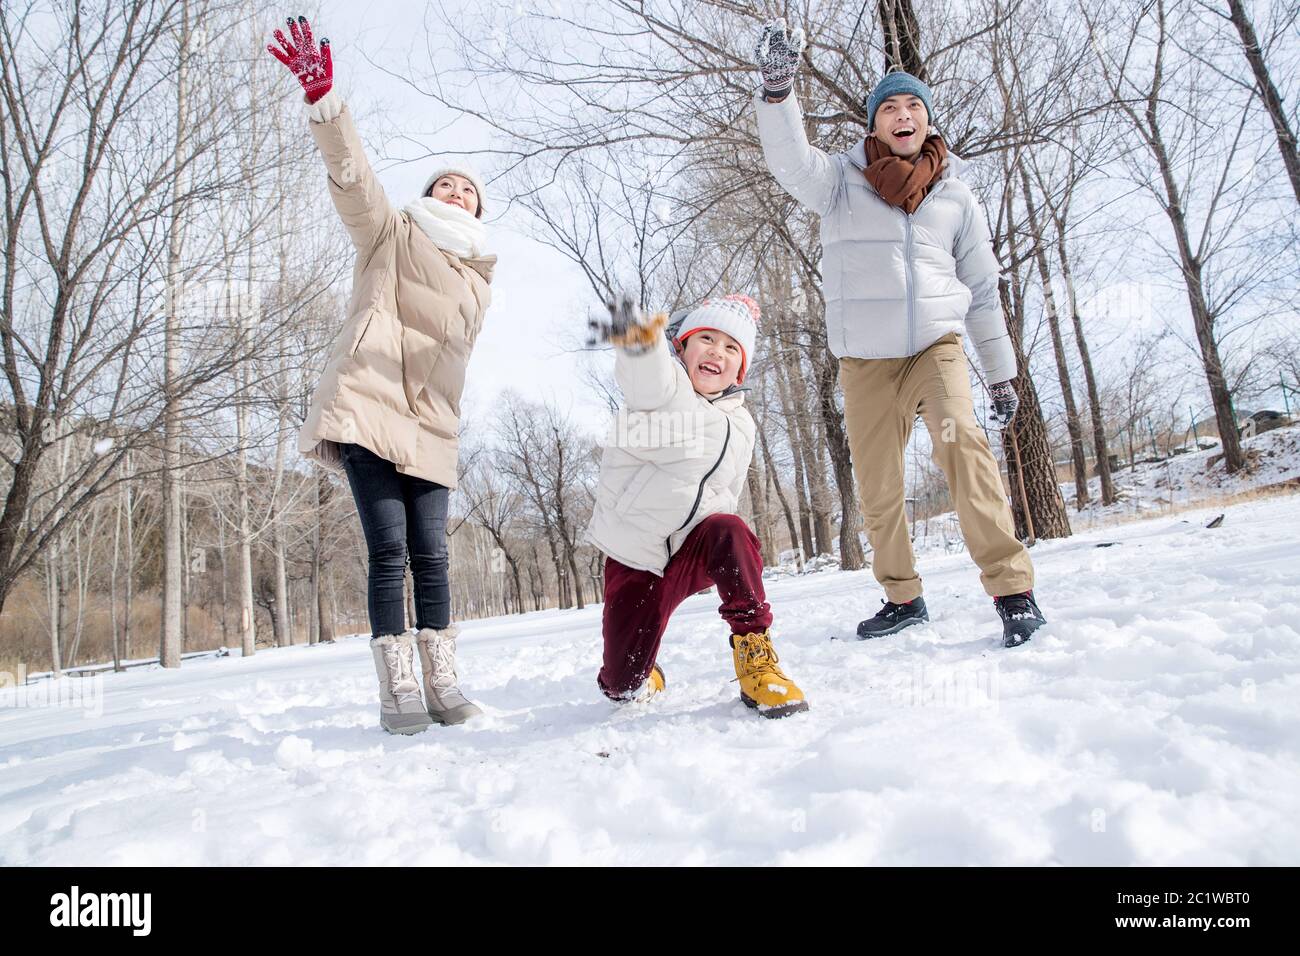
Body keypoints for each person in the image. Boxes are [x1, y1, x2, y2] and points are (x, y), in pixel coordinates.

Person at [751, 19, 1046, 647]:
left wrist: (1000, 375)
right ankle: (903, 597)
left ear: (928, 120)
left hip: (935, 348)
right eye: (890, 107)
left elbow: (984, 289)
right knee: (878, 485)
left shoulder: (957, 198)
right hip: (865, 360)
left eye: (914, 105)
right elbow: (788, 162)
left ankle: (1013, 590)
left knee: (964, 448)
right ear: (874, 124)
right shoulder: (838, 182)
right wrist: (779, 92)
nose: (903, 114)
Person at [268, 15, 495, 732]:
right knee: (388, 549)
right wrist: (326, 108)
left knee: (432, 553)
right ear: (428, 196)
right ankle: (396, 689)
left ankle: (442, 684)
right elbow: (353, 179)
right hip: (368, 406)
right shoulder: (388, 232)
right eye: (446, 184)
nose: (456, 193)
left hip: (431, 423)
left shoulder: (481, 279)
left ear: (479, 210)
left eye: (467, 190)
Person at [584, 294, 809, 718]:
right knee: (620, 687)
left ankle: (756, 658)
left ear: (739, 368)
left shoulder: (743, 424)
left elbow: (729, 492)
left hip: (694, 550)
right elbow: (646, 374)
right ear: (681, 347)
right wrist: (639, 340)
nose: (716, 352)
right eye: (706, 338)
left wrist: (724, 565)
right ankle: (643, 674)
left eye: (730, 348)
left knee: (730, 527)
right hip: (638, 559)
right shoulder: (665, 389)